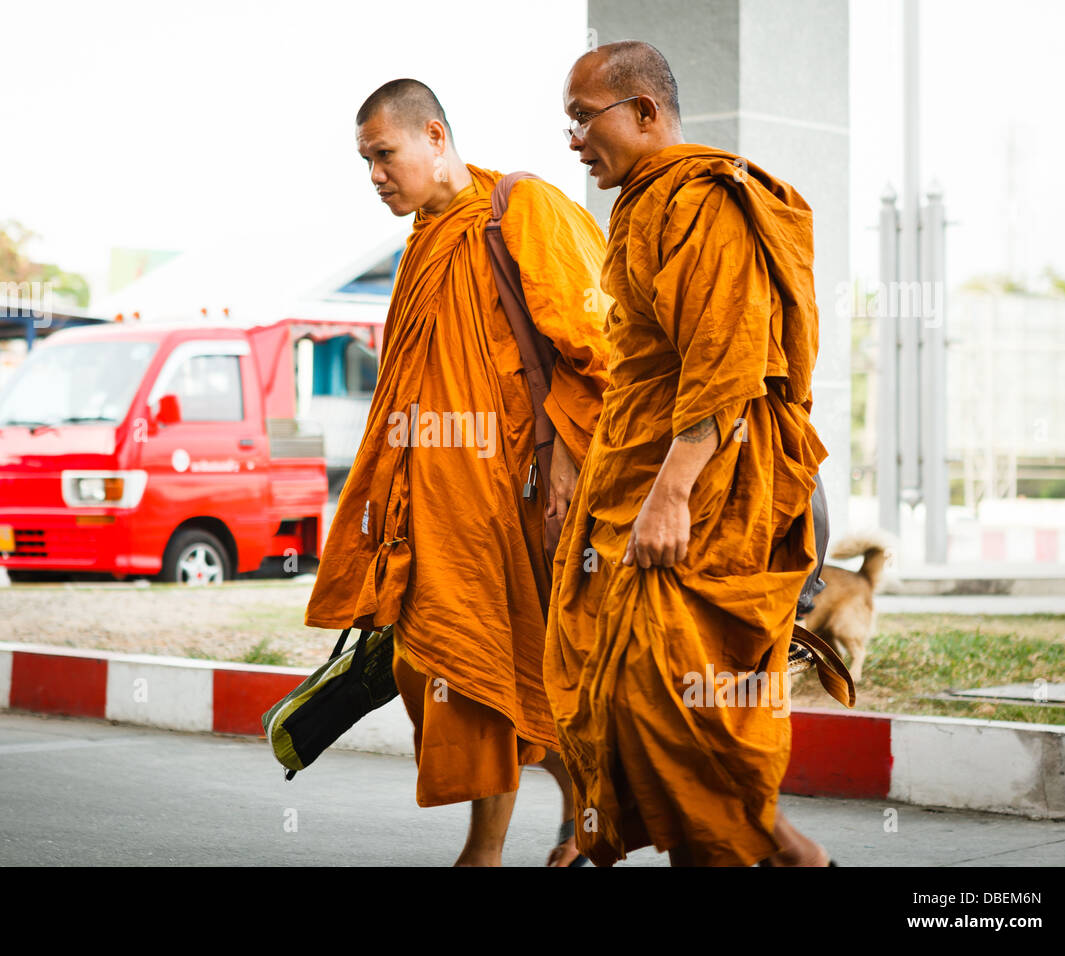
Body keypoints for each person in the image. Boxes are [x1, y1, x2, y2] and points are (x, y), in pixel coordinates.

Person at [304, 78, 612, 866]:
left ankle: (536, 838)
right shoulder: (420, 251)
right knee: (451, 667)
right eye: (365, 161)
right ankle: (520, 838)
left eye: (384, 154)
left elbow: (597, 344)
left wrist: (574, 458)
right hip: (438, 511)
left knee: (533, 669)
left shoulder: (523, 209)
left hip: (526, 499)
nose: (375, 174)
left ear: (435, 137)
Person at [545, 41, 833, 867]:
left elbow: (727, 356)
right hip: (636, 474)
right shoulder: (638, 205)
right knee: (637, 690)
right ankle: (775, 849)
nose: (572, 140)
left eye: (581, 118)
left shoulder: (704, 201)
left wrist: (670, 494)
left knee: (672, 693)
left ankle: (768, 848)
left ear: (643, 112)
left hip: (701, 488)